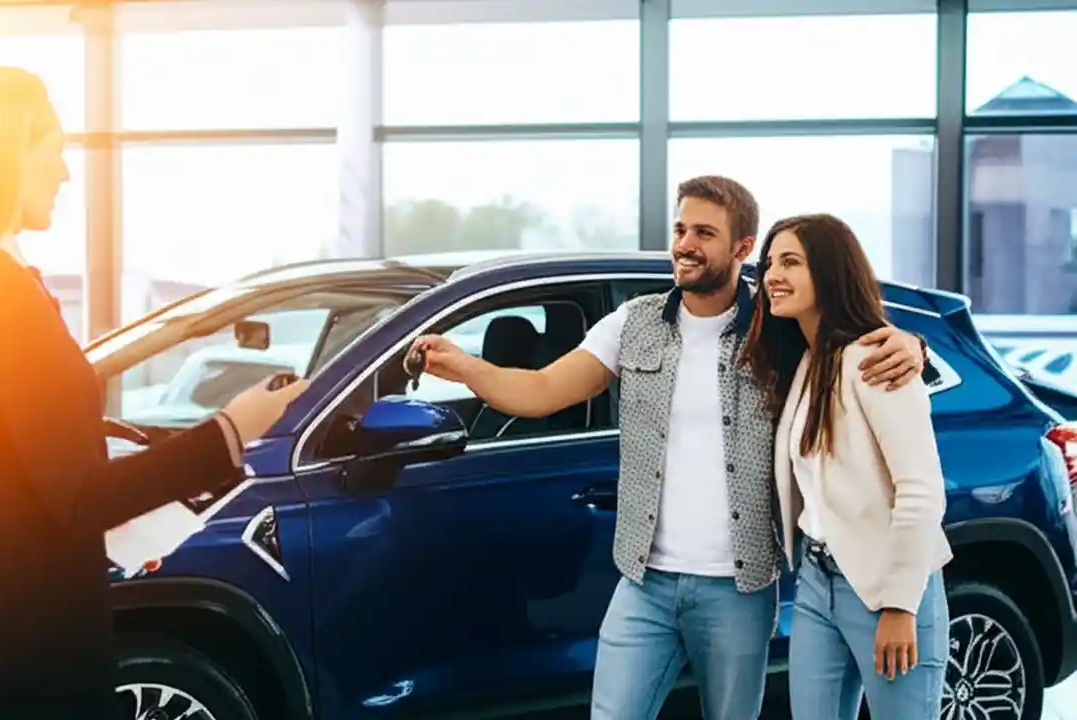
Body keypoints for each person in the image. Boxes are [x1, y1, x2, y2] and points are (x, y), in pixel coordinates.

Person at [407, 175, 927, 719]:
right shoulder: (632, 323)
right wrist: (465, 366)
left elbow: (851, 338)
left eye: (704, 232)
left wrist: (915, 345)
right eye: (680, 228)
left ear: (743, 248)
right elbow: (541, 391)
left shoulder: (778, 328)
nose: (685, 244)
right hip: (644, 586)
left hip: (740, 589)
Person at [0, 66, 308, 719]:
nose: (64, 173)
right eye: (53, 149)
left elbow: (24, 482)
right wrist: (231, 428)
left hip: (5, 643)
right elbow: (78, 497)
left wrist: (119, 503)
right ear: (5, 154)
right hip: (30, 657)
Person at [739, 213, 952, 719]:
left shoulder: (874, 360)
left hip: (887, 590)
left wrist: (900, 605)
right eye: (770, 263)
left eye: (790, 262)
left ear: (830, 273)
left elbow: (921, 490)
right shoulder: (810, 362)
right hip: (817, 581)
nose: (772, 275)